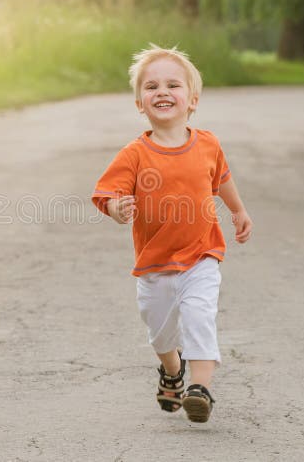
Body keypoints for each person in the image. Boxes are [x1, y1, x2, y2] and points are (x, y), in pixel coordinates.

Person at [91, 45, 252, 423]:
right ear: (139, 103)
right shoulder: (134, 154)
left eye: (172, 85)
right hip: (155, 263)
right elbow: (106, 192)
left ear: (192, 100)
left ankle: (200, 388)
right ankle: (171, 368)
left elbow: (222, 179)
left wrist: (238, 210)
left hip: (202, 255)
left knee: (200, 316)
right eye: (151, 86)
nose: (162, 91)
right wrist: (117, 208)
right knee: (160, 332)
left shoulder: (208, 144)